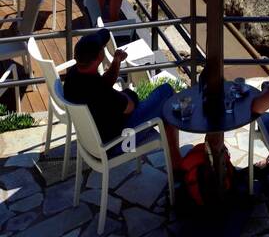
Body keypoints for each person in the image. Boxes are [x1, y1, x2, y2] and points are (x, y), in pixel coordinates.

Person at [61, 29, 183, 170]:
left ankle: (176, 161)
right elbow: (129, 106)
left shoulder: (73, 77)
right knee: (166, 93)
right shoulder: (101, 93)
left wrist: (116, 61)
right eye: (102, 48)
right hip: (117, 144)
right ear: (98, 58)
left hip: (94, 142)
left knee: (160, 104)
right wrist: (128, 94)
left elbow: (103, 84)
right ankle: (177, 165)